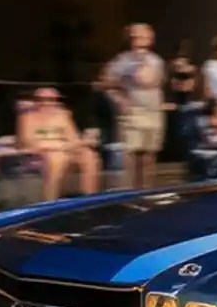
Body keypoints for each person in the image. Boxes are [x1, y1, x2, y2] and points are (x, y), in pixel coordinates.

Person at [108, 23, 165, 188]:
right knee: (131, 155)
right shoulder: (122, 60)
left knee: (149, 155)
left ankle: (146, 192)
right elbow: (107, 83)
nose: (142, 39)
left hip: (153, 111)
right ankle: (129, 194)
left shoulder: (156, 60)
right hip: (133, 112)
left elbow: (155, 82)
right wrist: (120, 100)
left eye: (146, 36)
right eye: (138, 36)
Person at [20, 87, 100, 201]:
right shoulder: (27, 117)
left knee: (89, 156)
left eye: (51, 100)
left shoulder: (63, 115)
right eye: (41, 100)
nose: (46, 103)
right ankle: (50, 200)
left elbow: (73, 138)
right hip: (42, 154)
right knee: (57, 158)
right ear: (36, 101)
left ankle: (89, 199)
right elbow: (28, 141)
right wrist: (58, 147)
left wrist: (77, 145)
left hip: (65, 150)